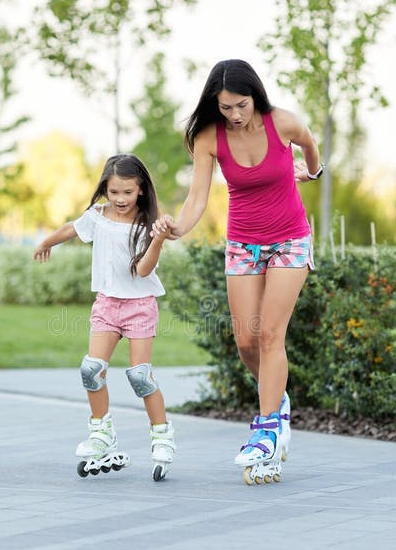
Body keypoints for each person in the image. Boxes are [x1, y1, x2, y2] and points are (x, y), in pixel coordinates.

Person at [152, 59, 322, 484]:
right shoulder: (209, 136)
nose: (235, 115)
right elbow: (197, 198)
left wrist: (314, 171)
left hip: (290, 240)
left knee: (270, 335)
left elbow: (309, 142)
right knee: (246, 341)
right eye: (225, 107)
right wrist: (179, 227)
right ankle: (276, 401)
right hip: (243, 244)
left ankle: (267, 428)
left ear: (255, 97)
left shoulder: (282, 122)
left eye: (241, 105)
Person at [34, 153, 176, 482]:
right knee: (91, 369)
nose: (120, 199)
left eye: (128, 192)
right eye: (114, 192)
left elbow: (143, 270)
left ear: (141, 189)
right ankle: (101, 432)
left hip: (139, 305)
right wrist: (46, 242)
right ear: (105, 189)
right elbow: (71, 228)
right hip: (107, 304)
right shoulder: (97, 216)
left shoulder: (148, 224)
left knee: (140, 376)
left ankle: (162, 435)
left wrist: (157, 240)